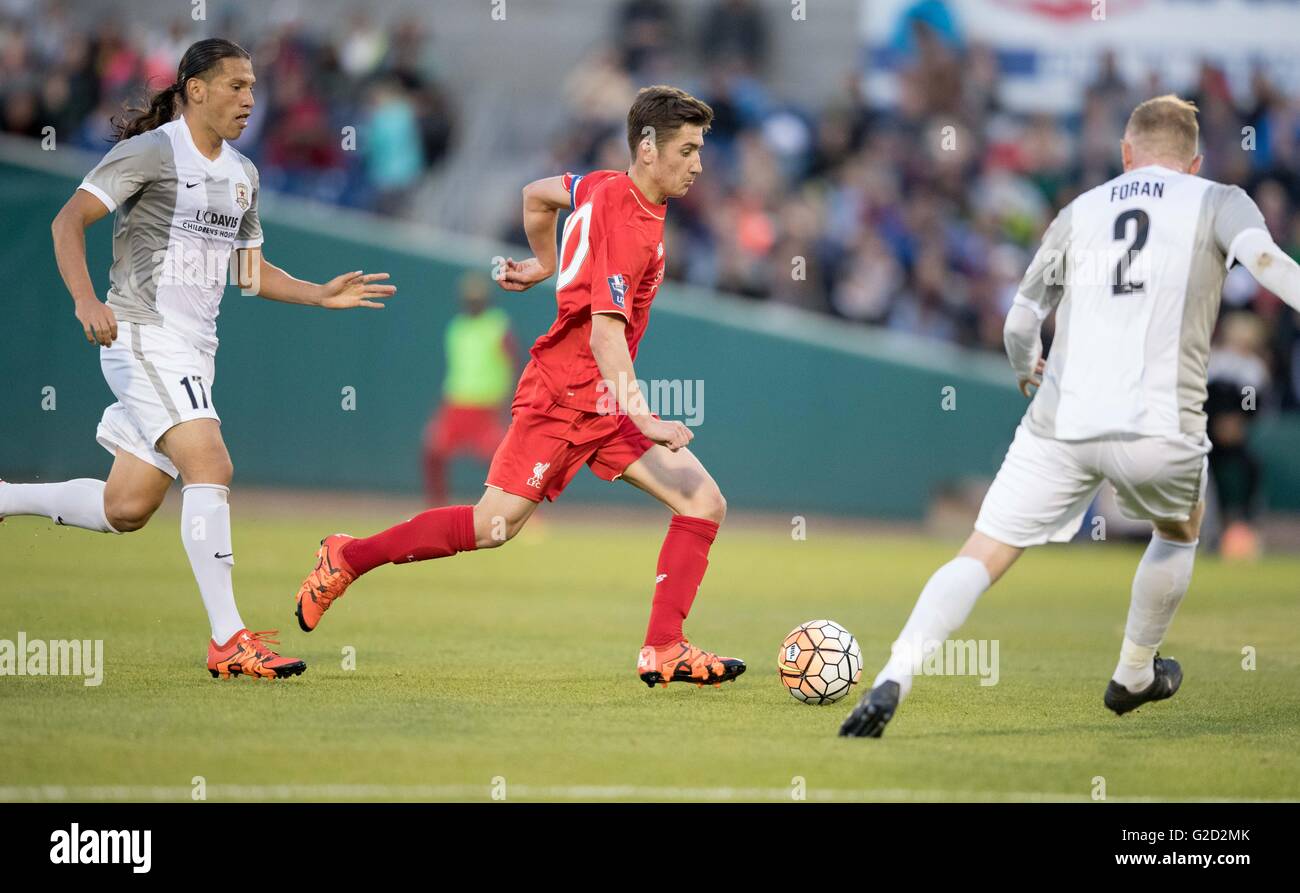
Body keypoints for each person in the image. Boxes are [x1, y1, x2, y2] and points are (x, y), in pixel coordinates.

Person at [841, 95, 1300, 737]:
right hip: (1157, 424)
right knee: (1179, 528)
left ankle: (895, 674)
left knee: (983, 552)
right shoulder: (1220, 199)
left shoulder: (1081, 210)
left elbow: (1020, 321)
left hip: (1060, 421)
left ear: (1125, 153)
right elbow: (1269, 266)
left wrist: (1027, 366)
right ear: (1193, 162)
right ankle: (1135, 671)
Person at [293, 85, 747, 689]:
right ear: (647, 148)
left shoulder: (604, 185)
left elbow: (536, 196)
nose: (697, 163)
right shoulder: (626, 221)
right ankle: (346, 557)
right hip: (565, 397)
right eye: (687, 149)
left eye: (700, 150)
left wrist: (545, 263)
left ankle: (665, 650)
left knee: (703, 501)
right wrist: (647, 417)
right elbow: (605, 338)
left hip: (601, 400)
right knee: (493, 528)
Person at [0, 39, 396, 680]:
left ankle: (5, 498)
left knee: (126, 508)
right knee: (212, 464)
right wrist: (84, 301)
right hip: (142, 335)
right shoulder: (152, 152)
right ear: (194, 89)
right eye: (235, 85)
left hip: (193, 351)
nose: (248, 99)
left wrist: (318, 295)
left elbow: (248, 270)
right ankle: (229, 641)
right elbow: (66, 222)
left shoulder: (243, 176)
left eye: (252, 87)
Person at [421, 274, 515, 506]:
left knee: (503, 459)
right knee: (433, 451)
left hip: (486, 405)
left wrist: (508, 399)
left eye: (478, 298)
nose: (473, 302)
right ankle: (437, 505)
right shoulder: (456, 327)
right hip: (456, 402)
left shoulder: (497, 324)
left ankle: (516, 509)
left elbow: (512, 360)